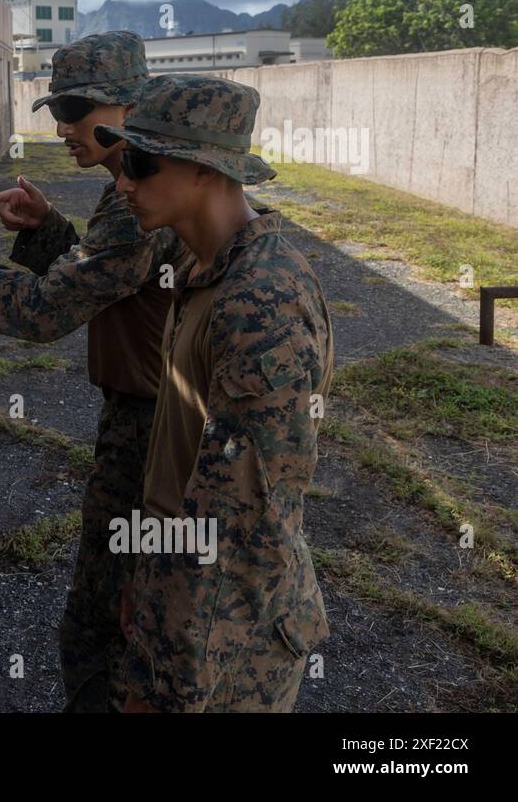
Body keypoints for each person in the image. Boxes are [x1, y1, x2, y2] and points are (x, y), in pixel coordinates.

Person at [0, 32, 182, 711]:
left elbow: (46, 311)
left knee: (106, 619)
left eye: (77, 108)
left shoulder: (140, 194)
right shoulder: (135, 188)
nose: (62, 126)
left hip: (153, 430)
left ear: (131, 107)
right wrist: (50, 229)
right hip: (151, 414)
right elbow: (111, 277)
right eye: (57, 106)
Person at [97, 75, 333, 712]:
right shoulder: (202, 262)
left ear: (205, 172)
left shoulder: (264, 302)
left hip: (227, 636)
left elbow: (243, 523)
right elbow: (179, 462)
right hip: (177, 590)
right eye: (123, 163)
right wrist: (144, 580)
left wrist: (169, 654)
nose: (123, 182)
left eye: (139, 164)